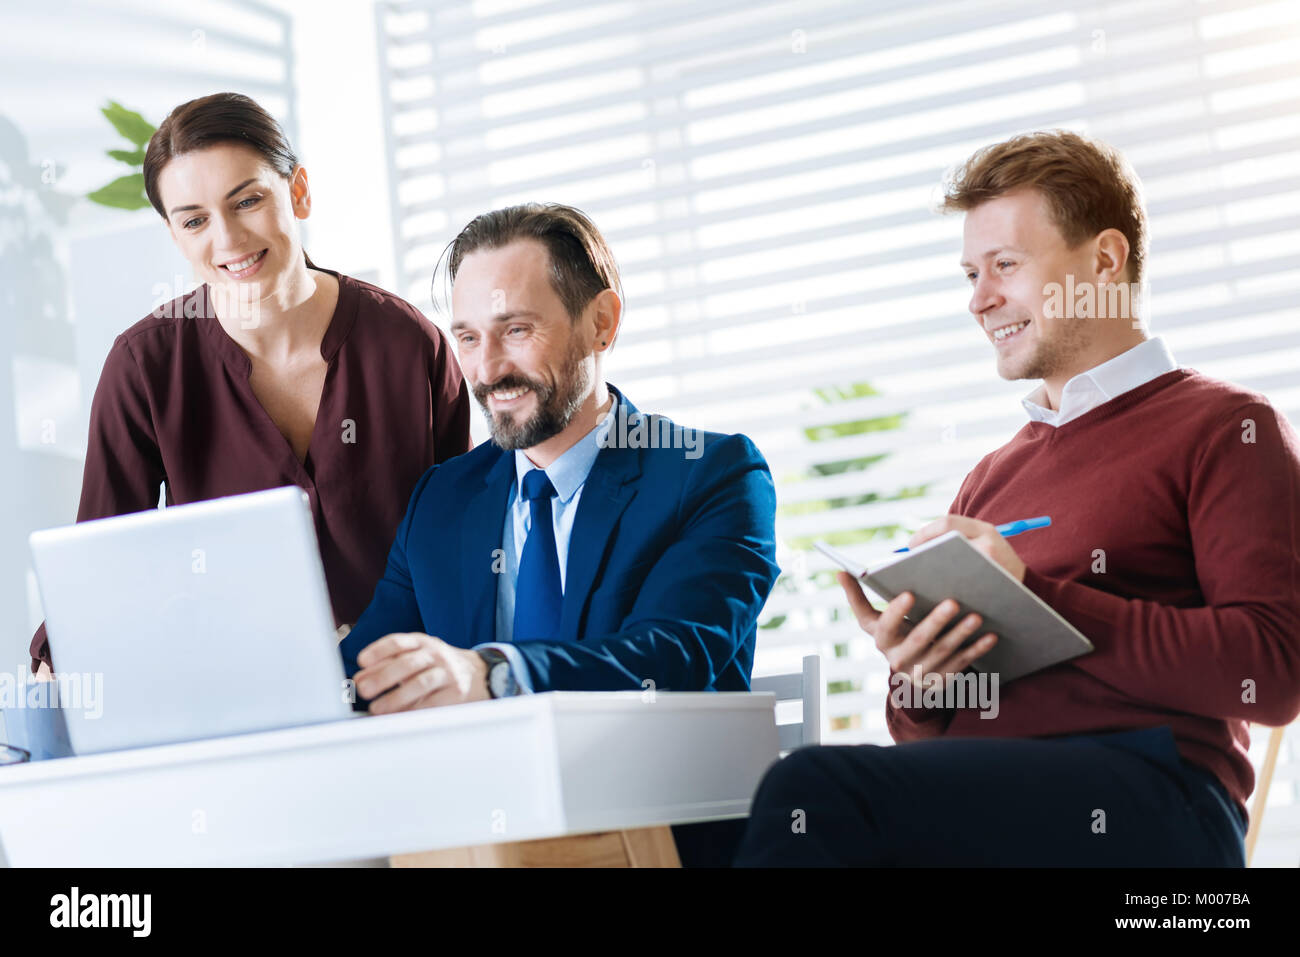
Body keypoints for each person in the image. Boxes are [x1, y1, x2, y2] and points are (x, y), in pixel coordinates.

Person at [735, 130, 1300, 867]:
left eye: (1005, 265)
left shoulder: (1228, 427)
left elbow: (1276, 671)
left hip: (1159, 805)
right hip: (999, 818)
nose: (979, 299)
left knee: (812, 793)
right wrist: (922, 676)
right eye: (971, 272)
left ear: (1103, 259)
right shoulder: (992, 477)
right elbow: (923, 745)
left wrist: (1038, 595)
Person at [337, 203, 779, 865]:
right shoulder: (443, 501)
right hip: (476, 836)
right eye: (467, 337)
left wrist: (490, 672)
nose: (487, 370)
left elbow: (669, 656)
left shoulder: (711, 474)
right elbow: (368, 668)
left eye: (515, 330)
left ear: (602, 322)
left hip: (649, 834)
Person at [29, 92, 472, 676]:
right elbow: (103, 561)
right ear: (175, 235)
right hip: (235, 690)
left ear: (299, 192)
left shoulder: (409, 343)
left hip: (408, 687)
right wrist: (59, 663)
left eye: (248, 201)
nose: (230, 240)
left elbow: (461, 539)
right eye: (194, 220)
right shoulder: (144, 367)